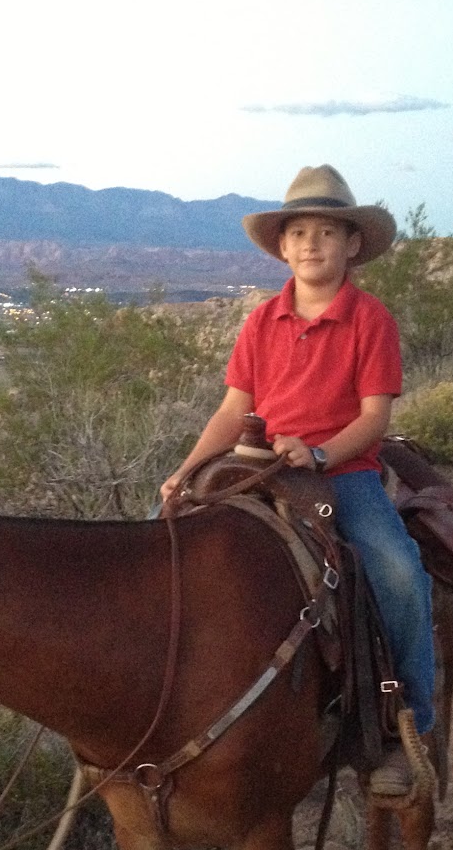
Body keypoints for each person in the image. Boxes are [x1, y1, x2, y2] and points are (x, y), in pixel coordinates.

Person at [161, 165, 434, 795]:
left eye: (327, 232)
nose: (312, 244)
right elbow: (233, 410)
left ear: (352, 245)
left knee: (398, 573)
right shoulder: (260, 323)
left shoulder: (371, 320)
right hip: (257, 468)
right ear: (282, 247)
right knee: (172, 550)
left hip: (343, 475)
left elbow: (373, 420)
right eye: (300, 232)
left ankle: (411, 724)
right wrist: (186, 471)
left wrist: (316, 455)